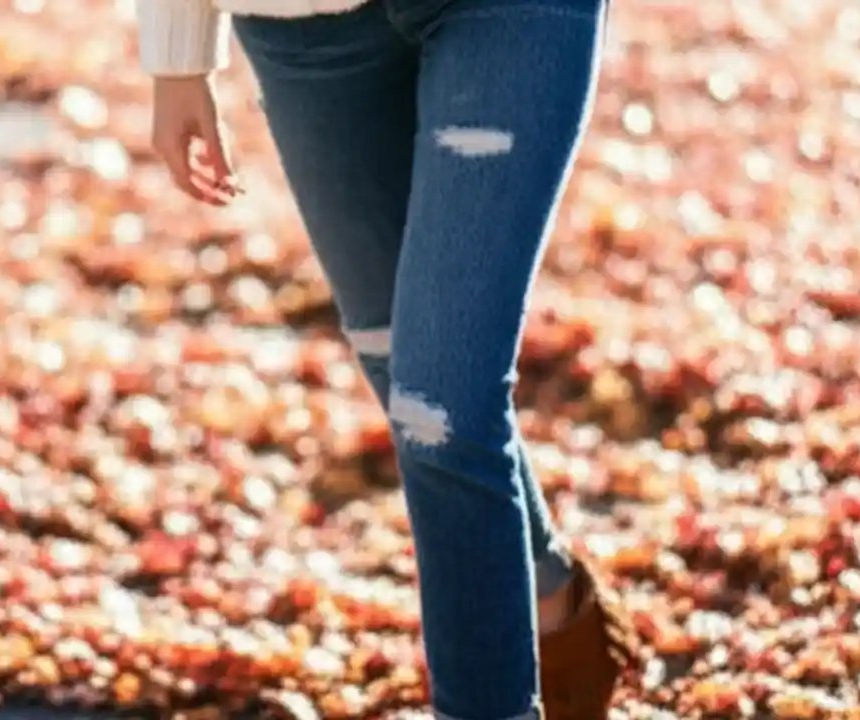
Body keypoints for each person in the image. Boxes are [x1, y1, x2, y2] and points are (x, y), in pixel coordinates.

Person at [137, 0, 638, 718]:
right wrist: (177, 54)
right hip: (303, 31)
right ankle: (548, 595)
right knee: (398, 361)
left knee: (440, 406)